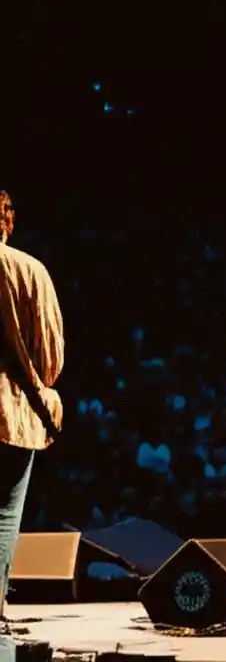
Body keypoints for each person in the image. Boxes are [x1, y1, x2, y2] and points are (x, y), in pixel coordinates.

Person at [0, 191, 65, 630]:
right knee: (3, 516)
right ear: (7, 218)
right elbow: (49, 358)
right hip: (10, 412)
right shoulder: (29, 271)